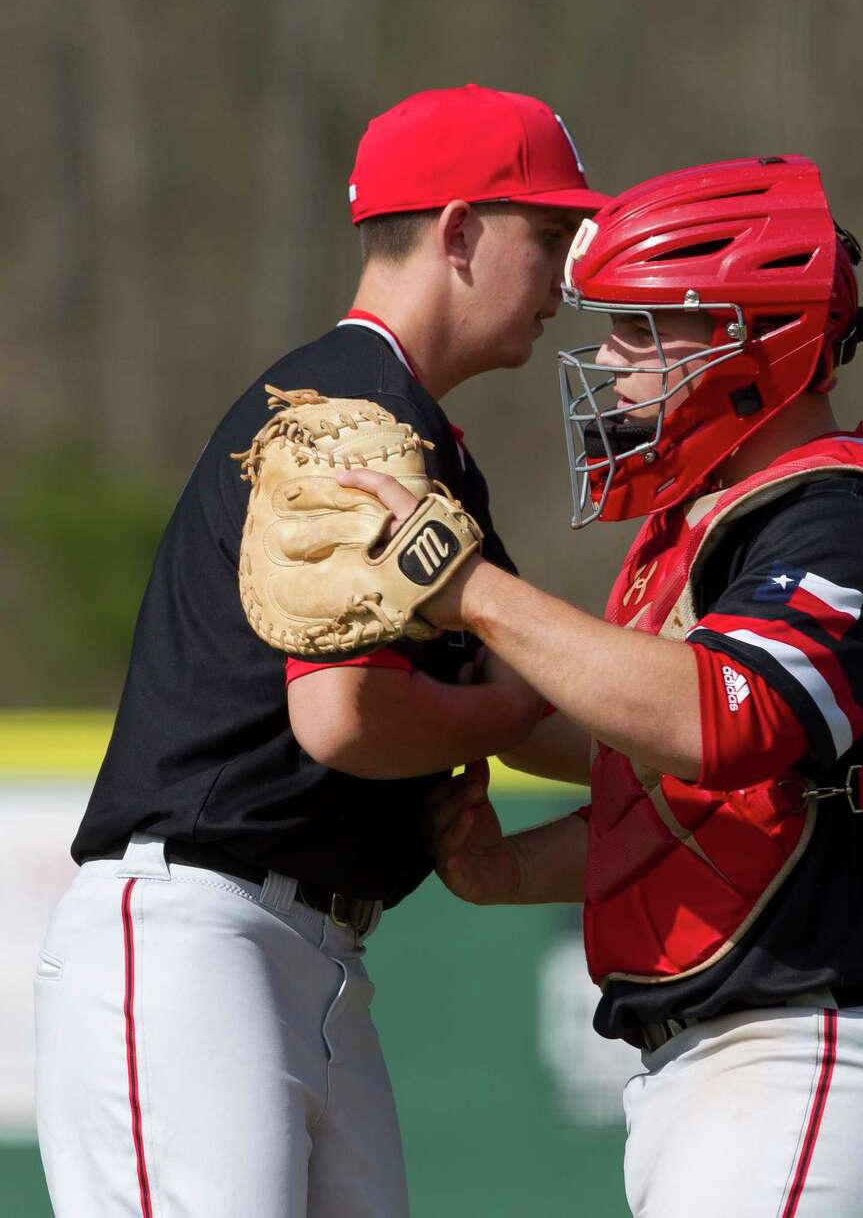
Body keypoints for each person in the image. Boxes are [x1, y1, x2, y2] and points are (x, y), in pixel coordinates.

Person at [347, 156, 863, 1217]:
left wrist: (470, 591)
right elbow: (675, 789)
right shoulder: (705, 527)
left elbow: (724, 723)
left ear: (756, 340)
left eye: (646, 330)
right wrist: (508, 865)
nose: (609, 357)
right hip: (736, 1074)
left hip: (824, 1052)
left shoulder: (845, 519)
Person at [33, 84, 608, 1218]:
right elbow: (342, 715)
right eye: (546, 236)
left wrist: (749, 748)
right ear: (457, 232)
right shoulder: (345, 413)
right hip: (196, 933)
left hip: (306, 959)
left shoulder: (422, 440)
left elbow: (537, 698)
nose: (564, 278)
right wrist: (496, 722)